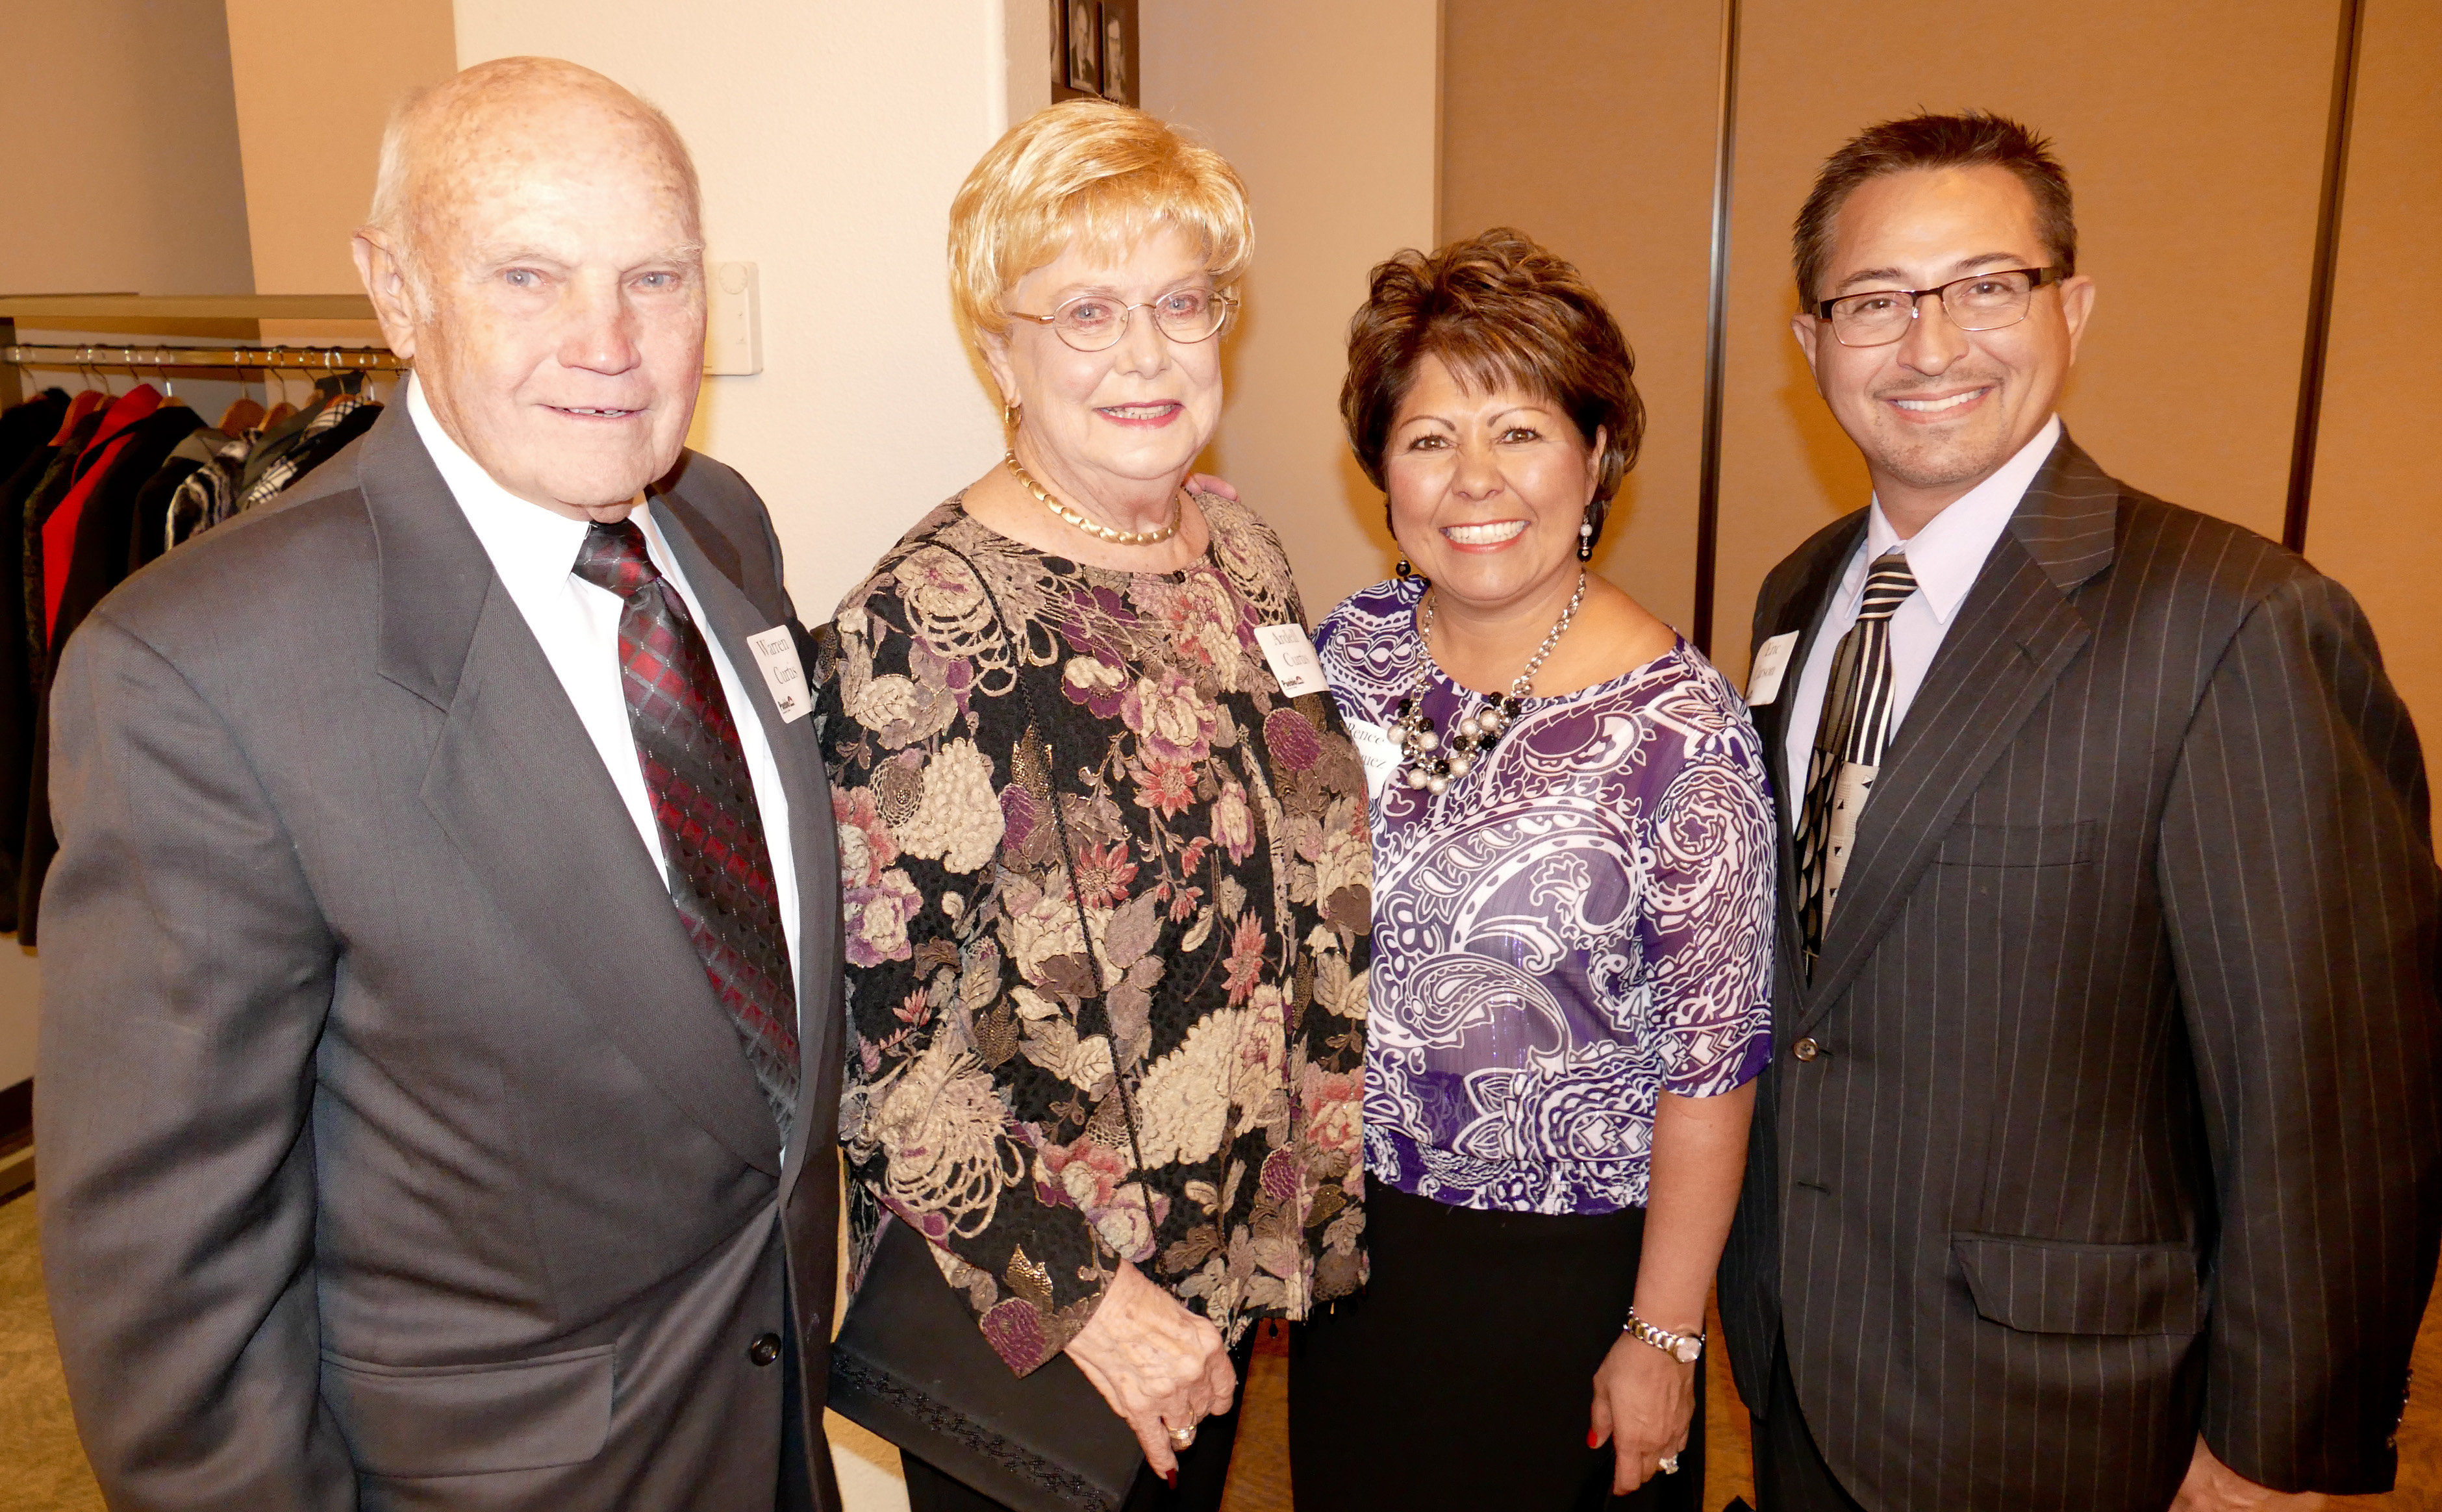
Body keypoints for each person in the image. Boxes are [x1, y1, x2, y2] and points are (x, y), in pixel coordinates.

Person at [37, 58, 849, 1509]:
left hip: (769, 1432)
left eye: (654, 276)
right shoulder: (199, 672)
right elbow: (170, 1302)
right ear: (396, 292)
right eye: (528, 275)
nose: (609, 343)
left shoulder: (722, 531)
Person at [1716, 110, 2442, 1512]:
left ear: (2071, 307)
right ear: (1809, 347)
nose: (1929, 347)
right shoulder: (1797, 596)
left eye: (1985, 286)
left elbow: (2336, 1097)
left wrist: (2270, 1455)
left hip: (2067, 1410)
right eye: (1874, 302)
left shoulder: (2235, 623)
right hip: (1804, 1352)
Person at [815, 99, 1371, 1511]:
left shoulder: (1232, 543)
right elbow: (878, 1048)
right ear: (997, 347)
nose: (1144, 352)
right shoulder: (921, 626)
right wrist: (1094, 1305)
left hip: (1219, 1278)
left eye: (1180, 302)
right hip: (1053, 1318)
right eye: (1083, 313)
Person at [1303, 229, 1775, 1509]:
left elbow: (1712, 1062)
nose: (1472, 482)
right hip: (1354, 1262)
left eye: (1516, 431)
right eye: (1425, 439)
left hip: (1562, 1285)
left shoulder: (1678, 734)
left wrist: (1663, 1333)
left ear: (1595, 452)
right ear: (1378, 473)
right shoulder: (1346, 651)